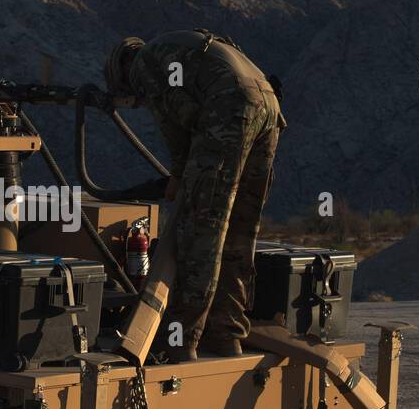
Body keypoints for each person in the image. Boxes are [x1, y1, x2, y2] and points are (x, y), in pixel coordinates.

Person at [105, 29, 285, 361]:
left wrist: (179, 174)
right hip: (269, 108)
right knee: (239, 233)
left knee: (202, 232)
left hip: (230, 108)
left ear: (122, 69)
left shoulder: (144, 63)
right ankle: (227, 334)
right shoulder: (181, 45)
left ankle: (182, 339)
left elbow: (179, 117)